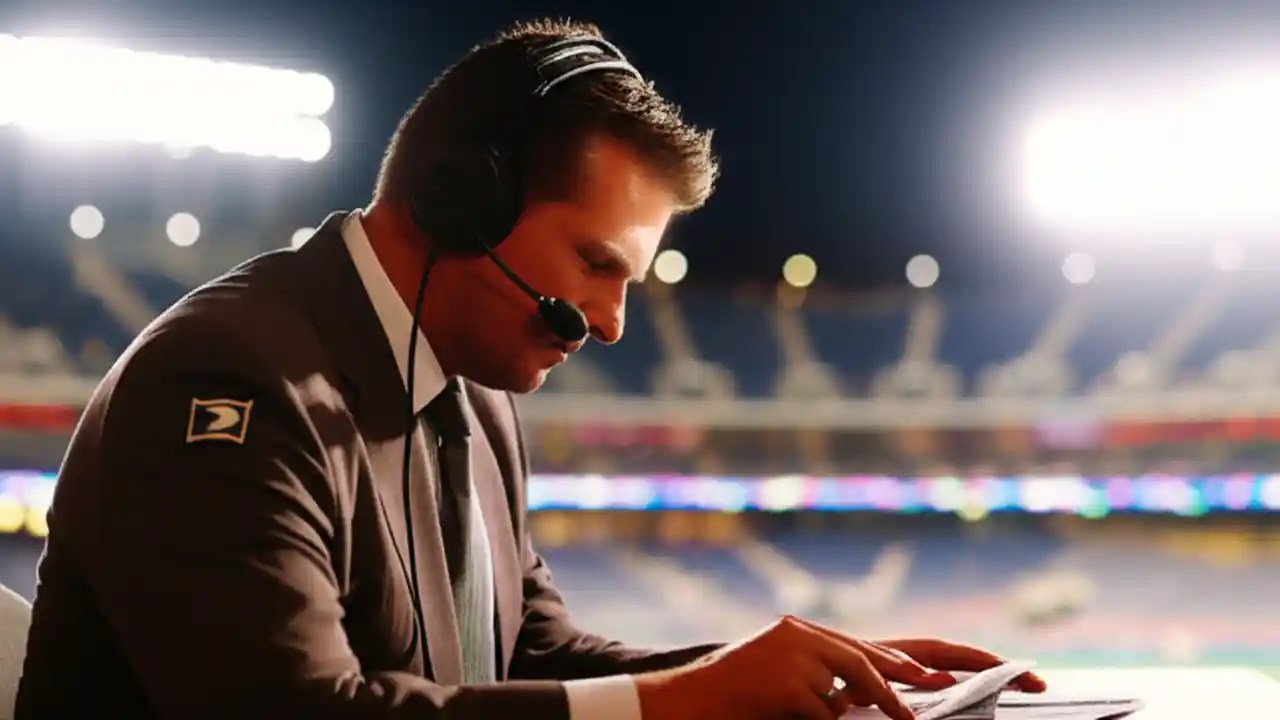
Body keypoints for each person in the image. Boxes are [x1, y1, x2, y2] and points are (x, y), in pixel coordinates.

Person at [15, 18, 1044, 720]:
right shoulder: (226, 376)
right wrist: (683, 703)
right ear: (458, 200)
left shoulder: (470, 390)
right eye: (595, 265)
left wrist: (808, 677)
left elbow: (533, 659)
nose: (607, 323)